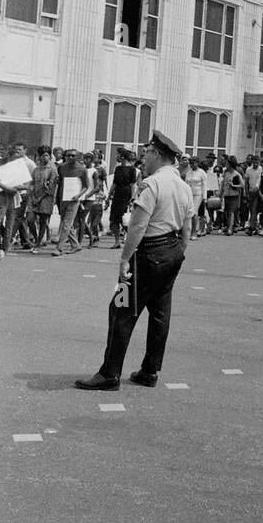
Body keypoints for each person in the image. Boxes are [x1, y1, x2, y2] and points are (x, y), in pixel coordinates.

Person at [75, 130, 195, 391]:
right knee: (160, 314)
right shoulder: (183, 187)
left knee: (120, 309)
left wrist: (125, 259)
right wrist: (178, 253)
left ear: (157, 154)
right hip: (172, 252)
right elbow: (187, 229)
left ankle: (109, 373)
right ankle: (150, 371)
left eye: (147, 154)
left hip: (147, 254)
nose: (144, 159)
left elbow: (137, 227)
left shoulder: (152, 185)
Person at [54, 150, 90, 255]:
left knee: (66, 224)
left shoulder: (82, 170)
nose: (70, 157)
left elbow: (85, 186)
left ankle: (59, 248)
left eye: (73, 156)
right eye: (68, 155)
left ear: (78, 157)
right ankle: (75, 245)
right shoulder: (61, 167)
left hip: (74, 200)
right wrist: (57, 198)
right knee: (66, 223)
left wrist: (78, 195)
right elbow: (59, 183)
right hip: (62, 198)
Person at [107, 148, 138, 248]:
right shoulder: (118, 168)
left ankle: (130, 238)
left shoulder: (132, 169)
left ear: (123, 157)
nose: (117, 157)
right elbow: (114, 183)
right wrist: (109, 195)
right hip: (117, 194)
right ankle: (117, 241)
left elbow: (133, 184)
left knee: (124, 219)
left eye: (118, 155)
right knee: (114, 219)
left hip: (126, 193)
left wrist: (133, 197)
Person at [30, 147, 59, 247]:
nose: (44, 158)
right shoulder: (36, 169)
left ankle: (38, 242)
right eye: (42, 155)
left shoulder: (52, 170)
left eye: (46, 155)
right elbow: (32, 183)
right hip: (34, 197)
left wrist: (39, 198)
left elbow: (51, 187)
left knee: (43, 221)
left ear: (50, 156)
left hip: (46, 198)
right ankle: (36, 237)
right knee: (30, 219)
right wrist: (33, 196)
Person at [220, 157, 244, 234]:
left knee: (231, 211)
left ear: (230, 165)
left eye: (228, 163)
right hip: (226, 194)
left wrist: (233, 185)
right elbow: (223, 184)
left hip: (234, 195)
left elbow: (242, 185)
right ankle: (229, 226)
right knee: (226, 211)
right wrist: (221, 194)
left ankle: (230, 228)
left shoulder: (237, 174)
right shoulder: (226, 173)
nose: (226, 165)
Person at [186, 156, 207, 239]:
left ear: (197, 163)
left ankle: (194, 232)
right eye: (190, 163)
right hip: (189, 194)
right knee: (188, 212)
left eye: (193, 163)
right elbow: (186, 183)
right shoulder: (188, 172)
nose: (192, 165)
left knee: (194, 213)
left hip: (198, 195)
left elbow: (204, 185)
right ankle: (187, 231)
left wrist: (204, 198)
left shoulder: (202, 172)